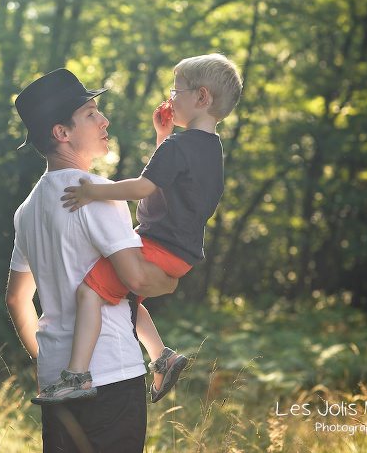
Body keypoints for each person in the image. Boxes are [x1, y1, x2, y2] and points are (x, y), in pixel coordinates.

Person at [40, 53, 243, 405]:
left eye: (175, 90)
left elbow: (142, 187)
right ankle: (162, 355)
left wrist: (93, 191)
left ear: (201, 97)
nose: (170, 98)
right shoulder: (212, 149)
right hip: (182, 252)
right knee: (126, 299)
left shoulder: (180, 147)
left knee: (90, 292)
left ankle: (76, 376)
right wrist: (163, 135)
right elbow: (176, 180)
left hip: (157, 244)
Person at [5, 68, 180, 452]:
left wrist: (48, 355)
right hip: (112, 375)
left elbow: (17, 299)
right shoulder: (97, 193)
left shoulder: (27, 210)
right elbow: (137, 280)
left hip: (57, 380)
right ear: (61, 133)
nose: (105, 120)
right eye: (90, 114)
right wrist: (171, 280)